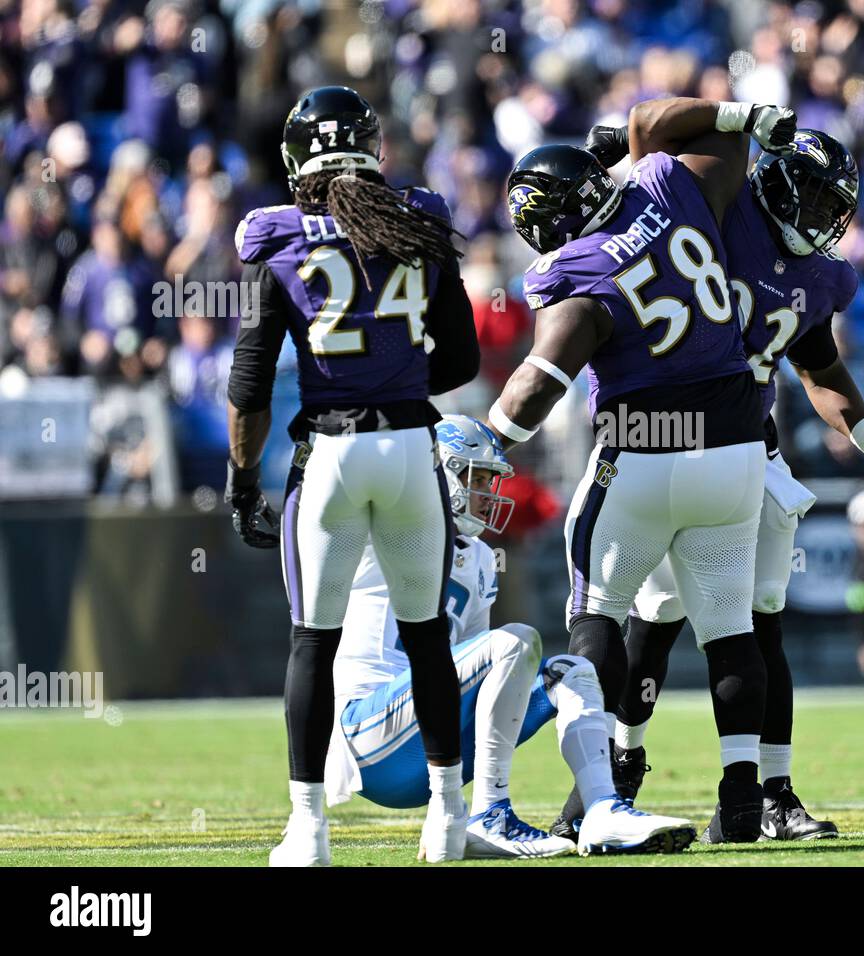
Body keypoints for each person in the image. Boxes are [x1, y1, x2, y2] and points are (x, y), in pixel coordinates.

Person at [583, 100, 864, 842]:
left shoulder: (816, 276)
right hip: (665, 434)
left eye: (842, 209)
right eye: (825, 202)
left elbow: (820, 368)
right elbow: (652, 135)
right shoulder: (719, 207)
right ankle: (620, 774)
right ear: (788, 186)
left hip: (743, 448)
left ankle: (769, 793)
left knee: (756, 624)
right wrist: (732, 119)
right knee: (658, 620)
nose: (832, 222)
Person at [491, 99, 796, 843]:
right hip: (735, 447)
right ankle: (742, 797)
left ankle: (594, 798)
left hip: (643, 445)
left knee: (596, 616)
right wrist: (739, 113)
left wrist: (488, 438)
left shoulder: (573, 270)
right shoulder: (665, 184)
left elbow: (539, 380)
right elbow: (690, 129)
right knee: (730, 630)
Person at [224, 86, 478, 866]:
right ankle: (448, 818)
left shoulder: (279, 243)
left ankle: (309, 831)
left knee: (313, 643)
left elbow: (249, 387)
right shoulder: (418, 222)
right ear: (373, 148)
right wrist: (392, 376)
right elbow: (464, 360)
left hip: (330, 455)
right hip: (409, 449)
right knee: (427, 638)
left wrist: (241, 482)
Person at [326, 416, 695, 857]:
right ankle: (489, 814)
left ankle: (600, 810)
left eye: (489, 479)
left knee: (573, 672)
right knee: (514, 640)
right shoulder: (384, 530)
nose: (487, 494)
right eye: (475, 477)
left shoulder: (480, 559)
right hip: (366, 736)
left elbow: (485, 689)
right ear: (438, 473)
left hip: (427, 750)